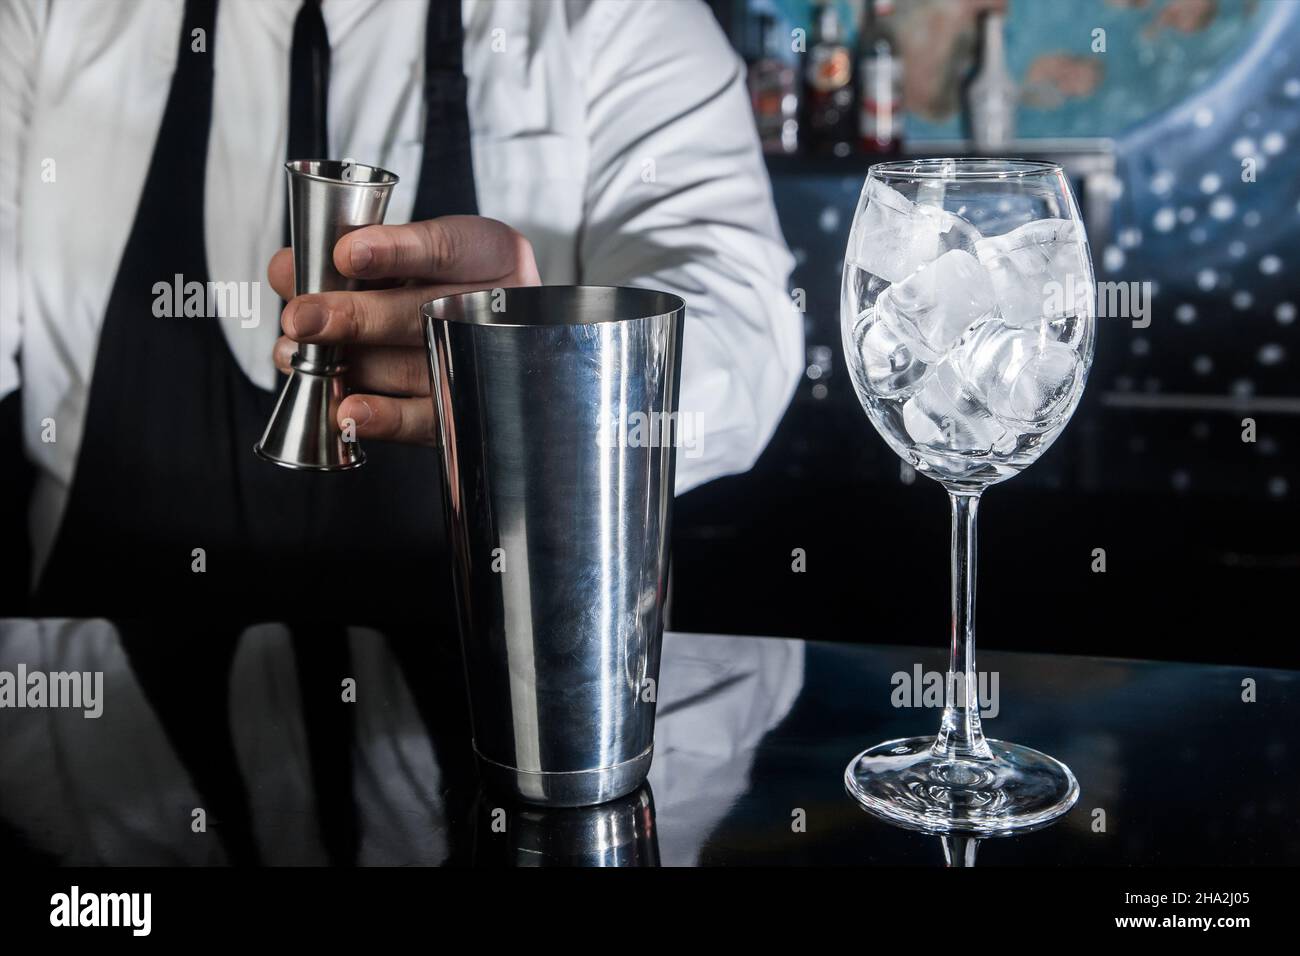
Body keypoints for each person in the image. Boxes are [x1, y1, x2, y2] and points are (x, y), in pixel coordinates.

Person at [0, 0, 802, 621]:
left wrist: (561, 367)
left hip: (506, 720)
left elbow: (742, 327)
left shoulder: (616, 18)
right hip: (111, 739)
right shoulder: (50, 16)